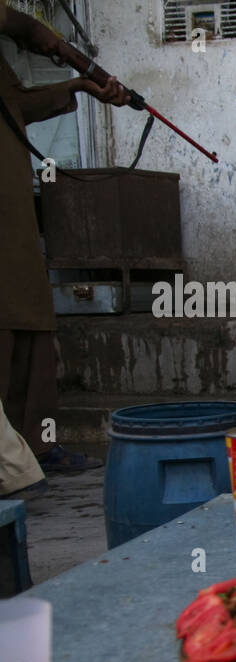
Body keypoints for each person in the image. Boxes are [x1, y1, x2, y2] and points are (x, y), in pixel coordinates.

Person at [1, 6, 129, 474]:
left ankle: (34, 448)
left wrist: (77, 85)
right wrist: (46, 39)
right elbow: (21, 25)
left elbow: (16, 107)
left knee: (32, 320)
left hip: (13, 213)